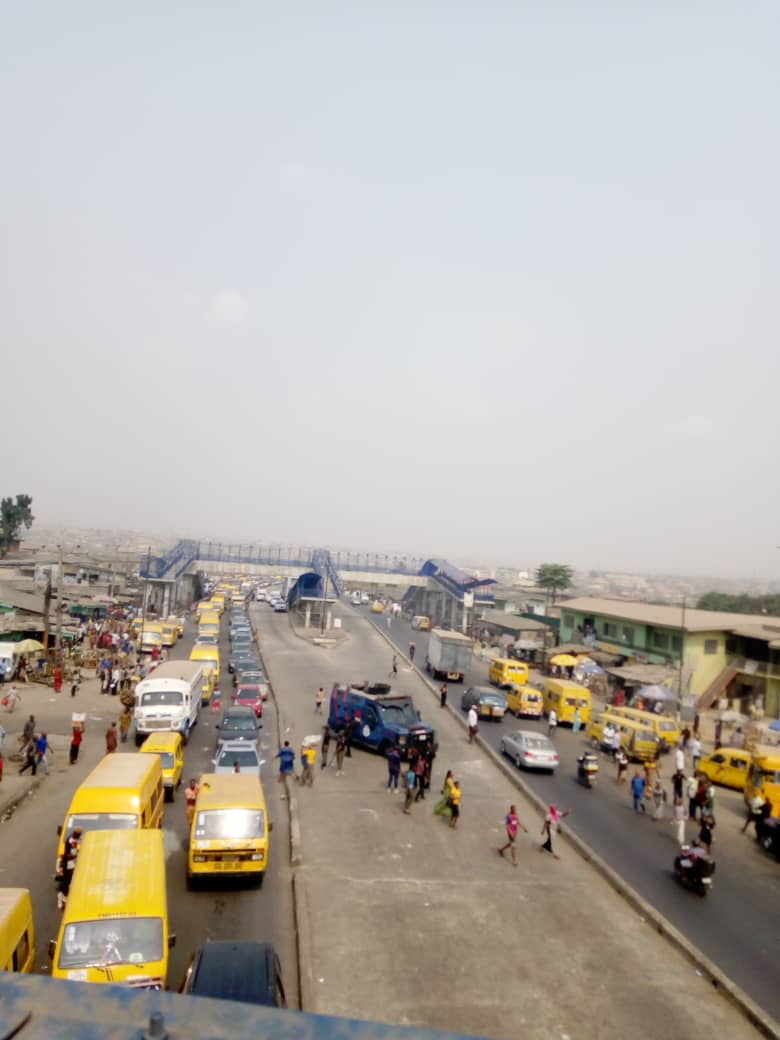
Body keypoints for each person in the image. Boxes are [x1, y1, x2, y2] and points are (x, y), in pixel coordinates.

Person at [56, 826, 82, 909]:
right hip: (68, 865)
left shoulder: (75, 840)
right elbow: (67, 854)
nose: (79, 836)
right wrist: (75, 855)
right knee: (67, 883)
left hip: (72, 864)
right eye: (78, 835)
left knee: (71, 881)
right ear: (75, 834)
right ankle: (60, 899)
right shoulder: (70, 840)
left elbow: (74, 849)